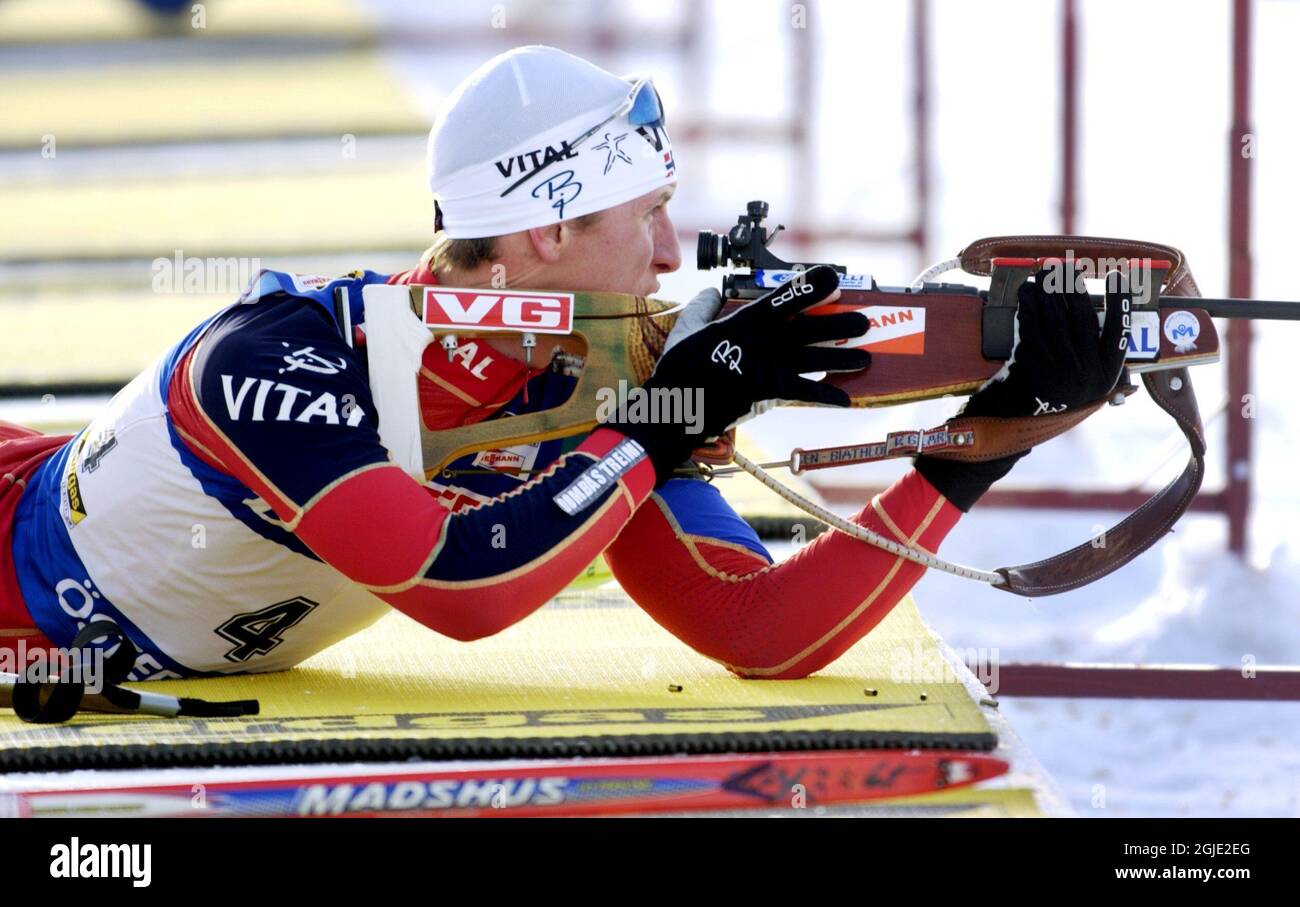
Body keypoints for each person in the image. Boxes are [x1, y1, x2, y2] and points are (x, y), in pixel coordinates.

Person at [0, 46, 1116, 682]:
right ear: (546, 235)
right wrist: (653, 434)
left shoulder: (599, 376)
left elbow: (756, 631)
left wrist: (981, 443)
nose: (676, 253)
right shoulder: (274, 364)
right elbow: (460, 589)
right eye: (652, 214)